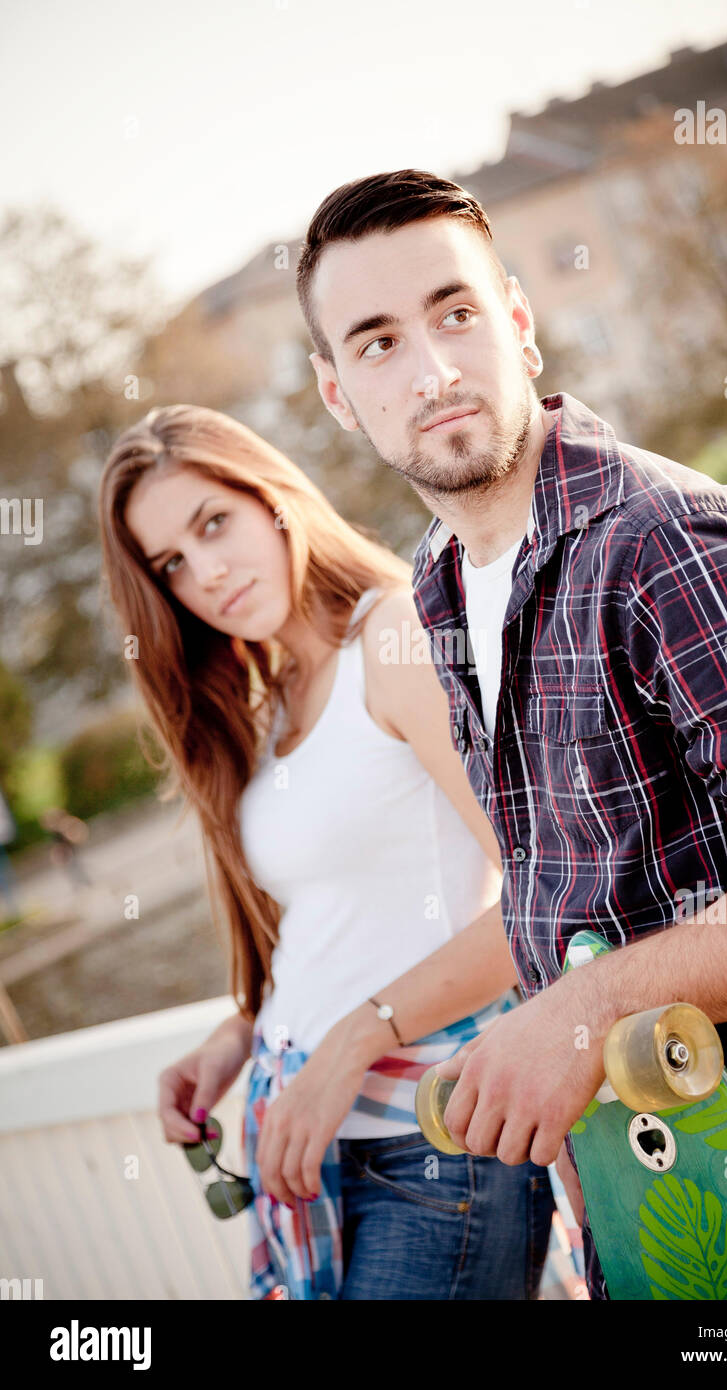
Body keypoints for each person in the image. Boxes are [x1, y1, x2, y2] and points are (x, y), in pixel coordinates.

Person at [295, 167, 727, 1296]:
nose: (433, 368)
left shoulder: (670, 542)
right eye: (377, 343)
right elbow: (563, 896)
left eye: (454, 314)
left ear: (518, 323)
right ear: (336, 397)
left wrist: (582, 1008)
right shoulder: (442, 589)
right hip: (641, 1225)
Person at [98, 404, 555, 1300]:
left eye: (214, 523)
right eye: (174, 566)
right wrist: (244, 1035)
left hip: (433, 1143)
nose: (209, 574)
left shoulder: (392, 637)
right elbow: (343, 921)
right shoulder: (272, 701)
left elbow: (538, 908)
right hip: (311, 1138)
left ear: (271, 496)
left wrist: (349, 1045)